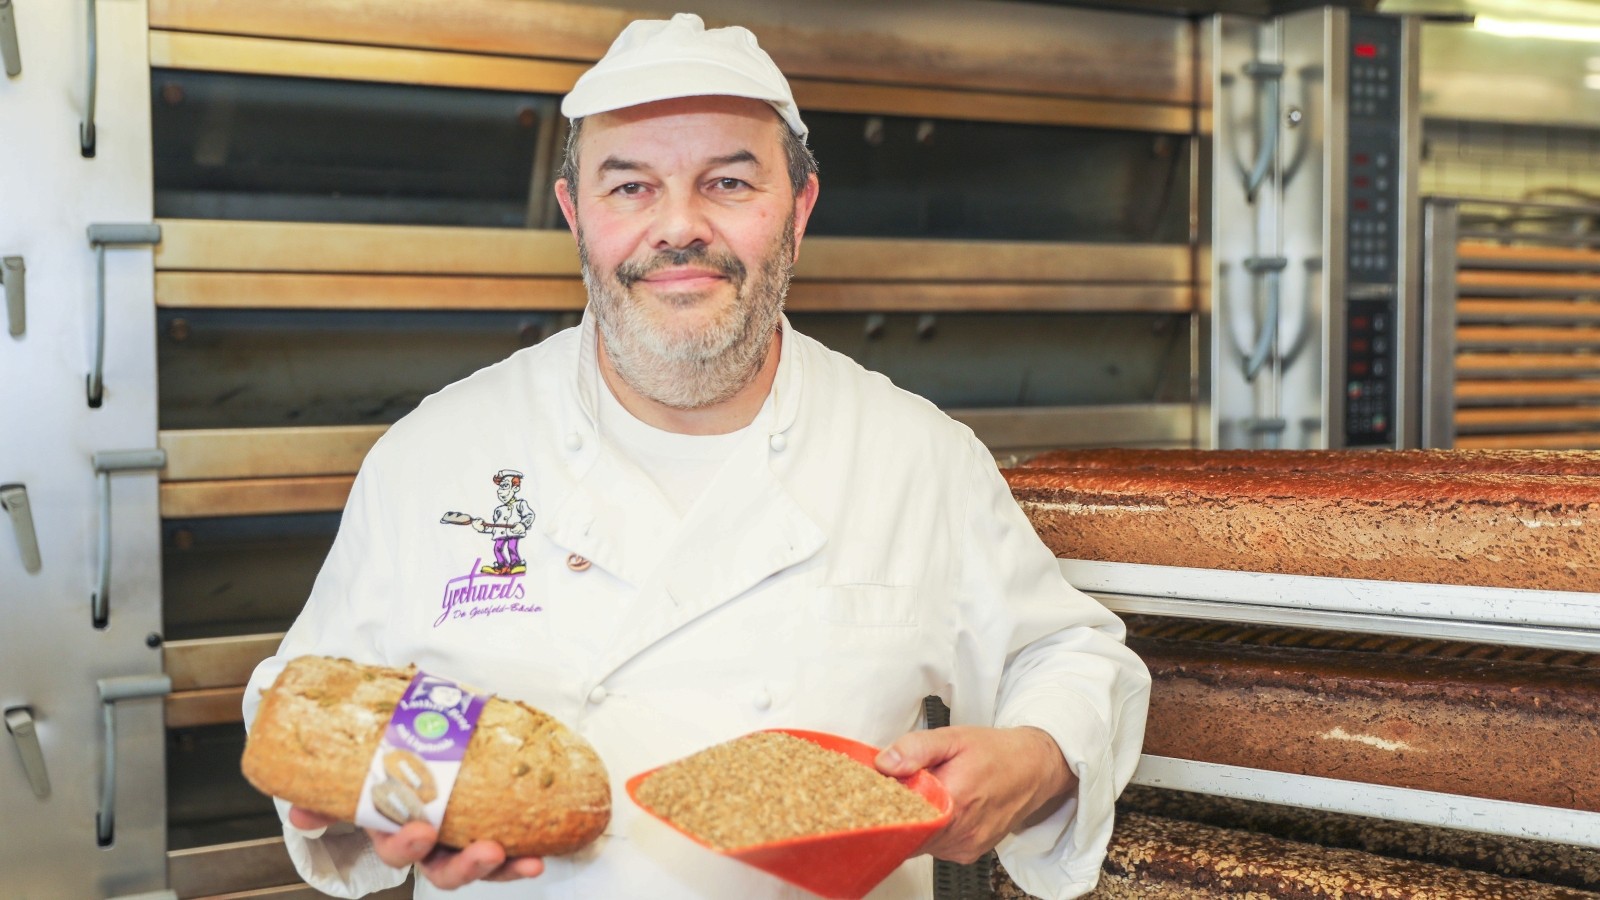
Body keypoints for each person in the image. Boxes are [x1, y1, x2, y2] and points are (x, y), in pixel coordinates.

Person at [244, 12, 1150, 900]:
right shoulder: (433, 455)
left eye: (727, 183)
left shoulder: (916, 455)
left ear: (798, 209)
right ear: (575, 213)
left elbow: (1070, 657)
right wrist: (375, 807)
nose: (678, 227)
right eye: (629, 186)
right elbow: (301, 705)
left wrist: (1036, 756)